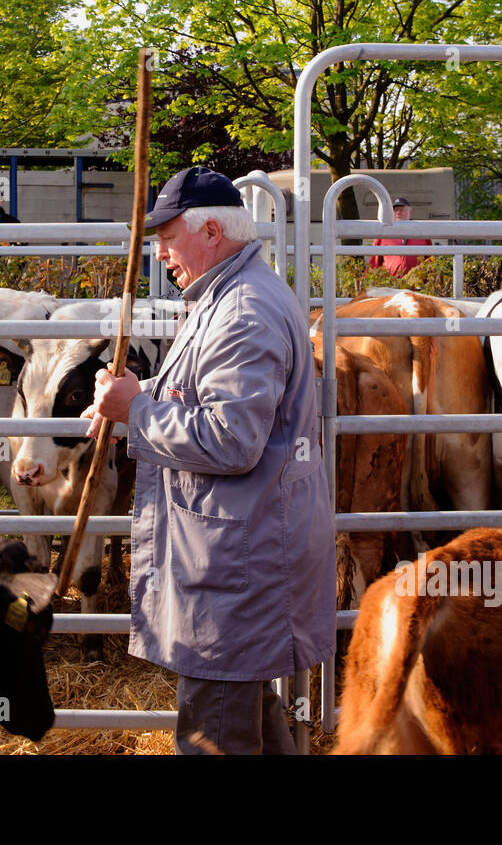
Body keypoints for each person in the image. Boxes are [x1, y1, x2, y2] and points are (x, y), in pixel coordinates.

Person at [84, 165, 335, 755]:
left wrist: (139, 415)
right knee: (246, 712)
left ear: (213, 232)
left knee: (214, 730)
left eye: (168, 237)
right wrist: (134, 404)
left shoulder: (242, 311)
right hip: (238, 556)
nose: (161, 252)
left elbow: (230, 438)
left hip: (237, 565)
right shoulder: (225, 298)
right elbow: (207, 402)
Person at [366, 196, 429, 276]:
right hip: (390, 285)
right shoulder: (383, 234)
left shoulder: (421, 233)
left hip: (417, 285)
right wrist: (366, 281)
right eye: (395, 210)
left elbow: (429, 261)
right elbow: (374, 262)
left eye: (401, 209)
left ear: (410, 212)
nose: (398, 212)